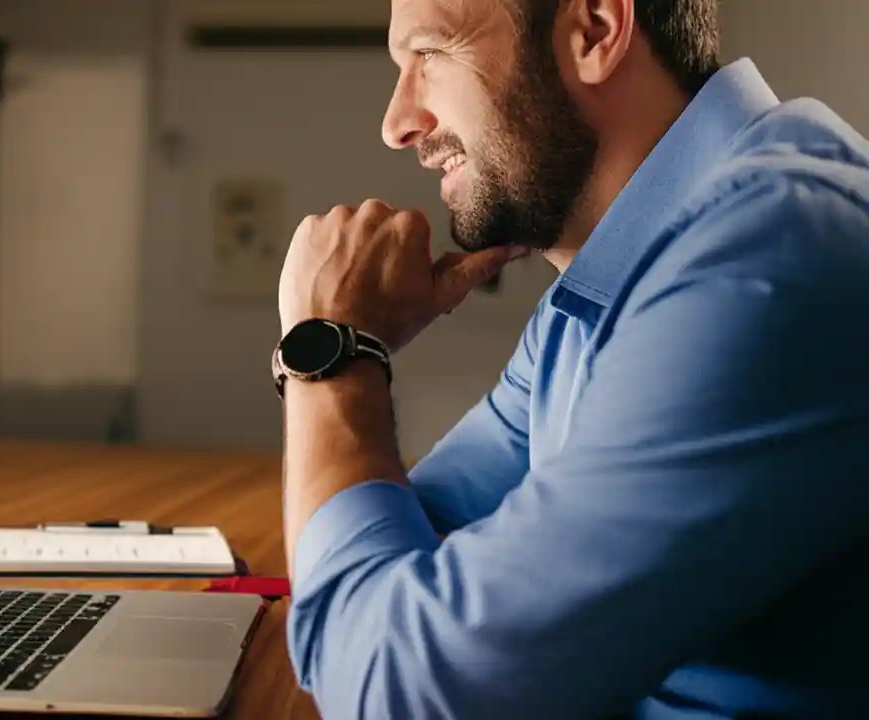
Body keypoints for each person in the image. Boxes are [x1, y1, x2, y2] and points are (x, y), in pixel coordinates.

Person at [273, 0, 869, 717]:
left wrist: (332, 352)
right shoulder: (604, 289)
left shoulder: (766, 258)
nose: (397, 123)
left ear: (595, 31)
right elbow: (385, 560)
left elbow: (396, 685)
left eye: (430, 52)